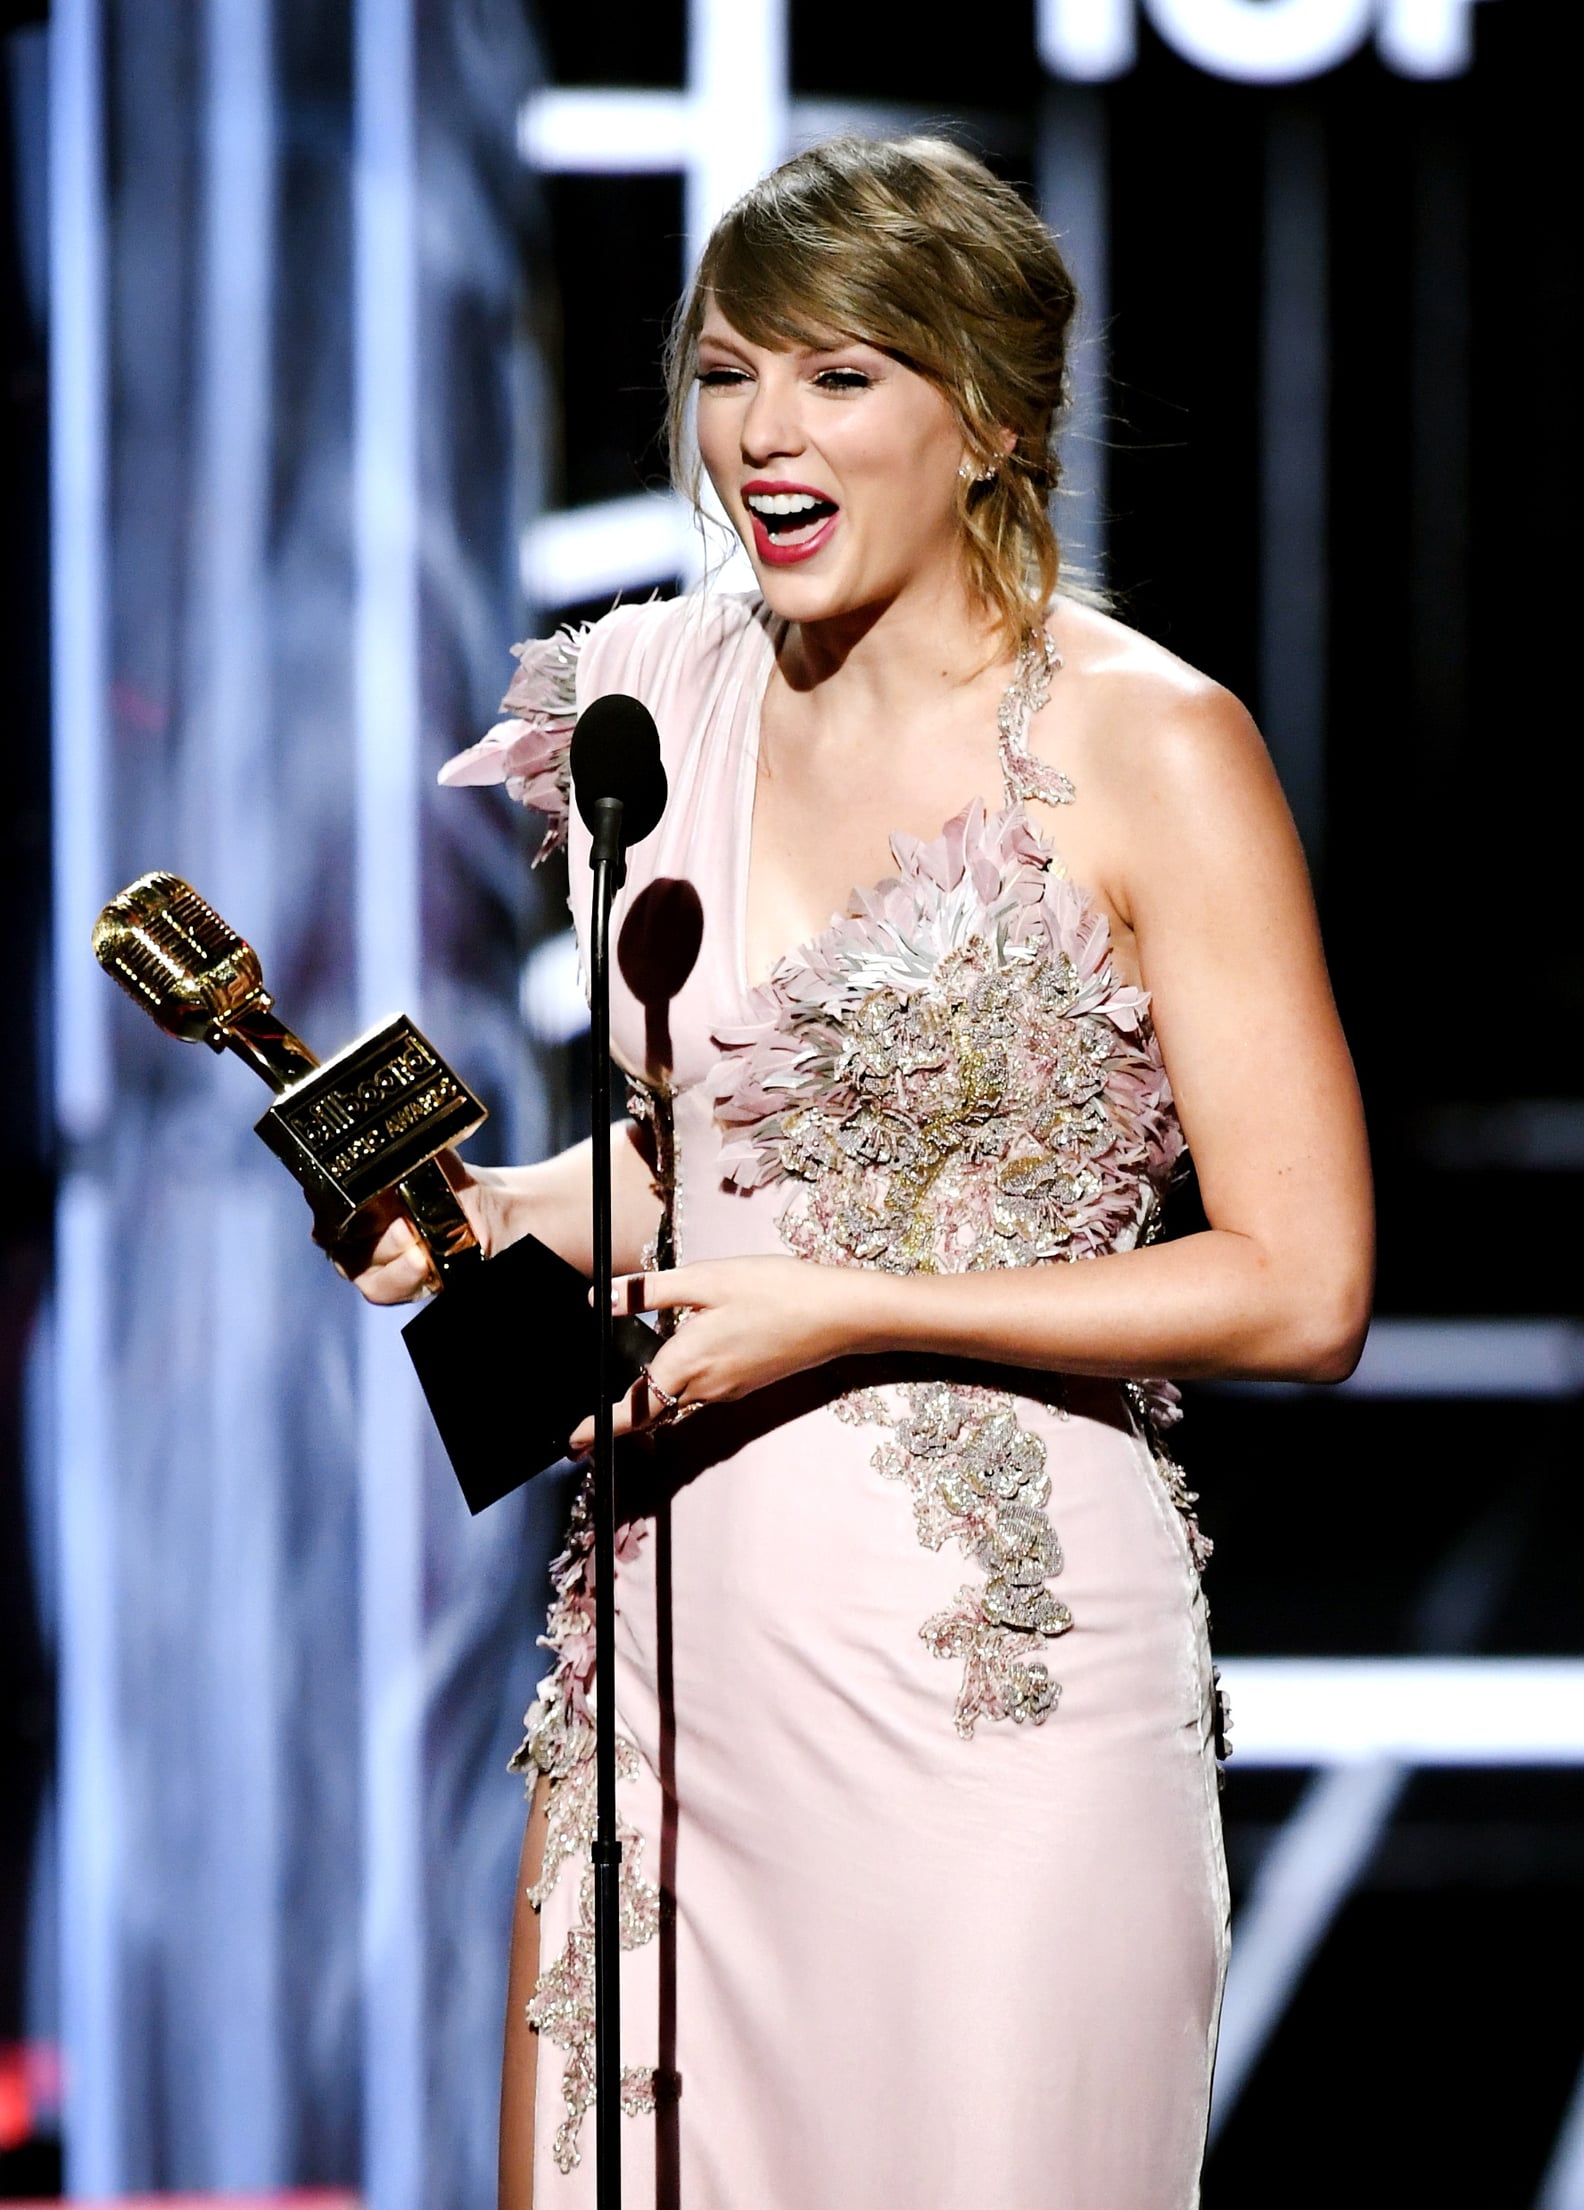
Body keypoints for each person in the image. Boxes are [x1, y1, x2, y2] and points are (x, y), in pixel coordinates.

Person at [342, 136, 1373, 2210]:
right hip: (665, 1666)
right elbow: (693, 1157)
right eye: (729, 373)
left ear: (986, 416)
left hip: (994, 1703)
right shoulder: (645, 696)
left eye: (840, 376)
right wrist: (485, 1214)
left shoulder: (1153, 745)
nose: (762, 435)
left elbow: (1300, 1280)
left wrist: (864, 1309)